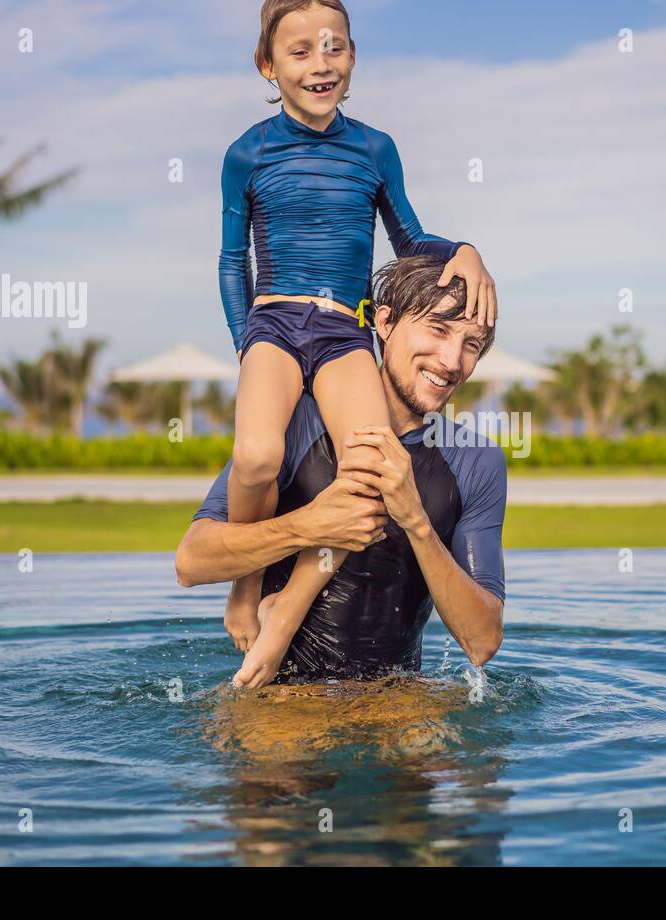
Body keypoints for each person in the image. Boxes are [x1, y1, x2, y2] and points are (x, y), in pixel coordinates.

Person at [218, 0, 499, 683]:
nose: (322, 64)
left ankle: (288, 612)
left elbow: (408, 239)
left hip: (346, 326)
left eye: (335, 47)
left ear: (351, 57)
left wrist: (464, 248)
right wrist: (246, 347)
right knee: (256, 457)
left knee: (370, 471)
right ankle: (248, 593)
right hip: (274, 324)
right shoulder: (247, 153)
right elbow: (233, 262)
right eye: (301, 51)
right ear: (268, 64)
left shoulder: (374, 148)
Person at [178, 256, 506, 688]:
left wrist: (416, 522)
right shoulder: (297, 423)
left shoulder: (476, 461)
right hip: (285, 698)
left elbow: (481, 642)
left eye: (472, 345)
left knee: (442, 748)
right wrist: (306, 527)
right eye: (438, 329)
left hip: (398, 700)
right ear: (384, 323)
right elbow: (191, 562)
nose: (451, 360)